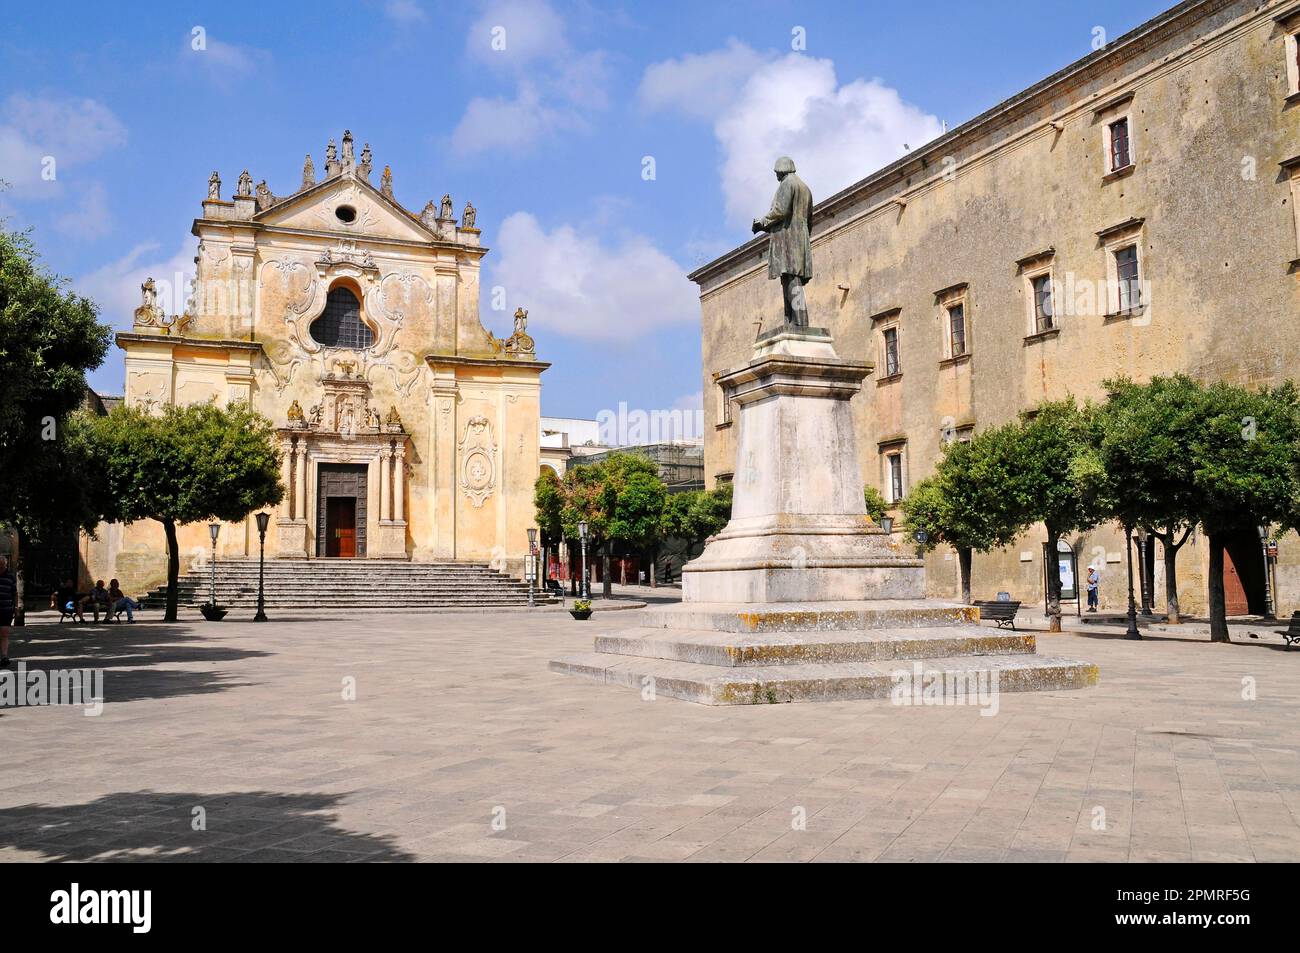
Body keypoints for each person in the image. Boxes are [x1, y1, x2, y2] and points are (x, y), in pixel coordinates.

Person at [0, 555, 15, 668]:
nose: (1, 567)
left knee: (4, 632)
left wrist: (16, 607)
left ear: (5, 565)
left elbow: (15, 593)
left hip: (6, 609)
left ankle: (4, 656)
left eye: (2, 565)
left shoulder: (10, 577)